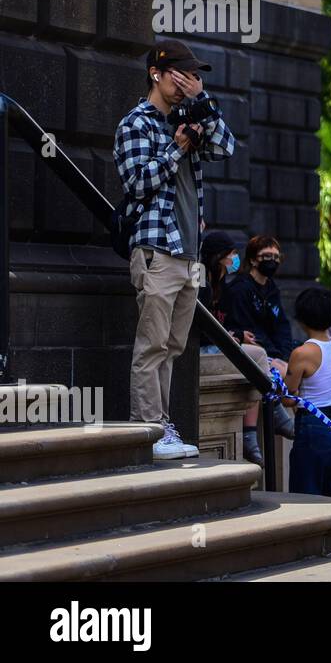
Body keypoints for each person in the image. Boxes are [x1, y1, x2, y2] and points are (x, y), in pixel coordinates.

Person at [114, 39, 234, 460]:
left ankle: (161, 425)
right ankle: (148, 429)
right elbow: (137, 183)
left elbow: (226, 148)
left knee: (172, 347)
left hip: (188, 254)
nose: (187, 82)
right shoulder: (136, 123)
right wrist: (176, 148)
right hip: (156, 251)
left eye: (194, 75)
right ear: (157, 74)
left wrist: (204, 102)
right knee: (150, 347)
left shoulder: (192, 118)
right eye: (180, 74)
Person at [198, 230, 292, 465]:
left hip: (221, 344)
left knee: (264, 358)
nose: (235, 259)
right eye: (232, 254)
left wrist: (281, 353)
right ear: (219, 256)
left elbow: (281, 326)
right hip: (203, 349)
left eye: (275, 256)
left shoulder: (224, 284)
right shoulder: (205, 281)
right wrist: (236, 335)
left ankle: (259, 426)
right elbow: (202, 322)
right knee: (260, 356)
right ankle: (273, 412)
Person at [282, 286, 331, 498]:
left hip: (312, 427)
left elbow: (288, 397)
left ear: (301, 319)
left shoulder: (302, 353)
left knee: (306, 497)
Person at [222, 235, 295, 363]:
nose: (273, 261)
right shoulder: (240, 289)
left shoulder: (272, 288)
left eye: (276, 257)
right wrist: (277, 356)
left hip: (276, 352)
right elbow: (249, 330)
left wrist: (285, 355)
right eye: (267, 256)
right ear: (253, 260)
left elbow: (282, 326)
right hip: (255, 352)